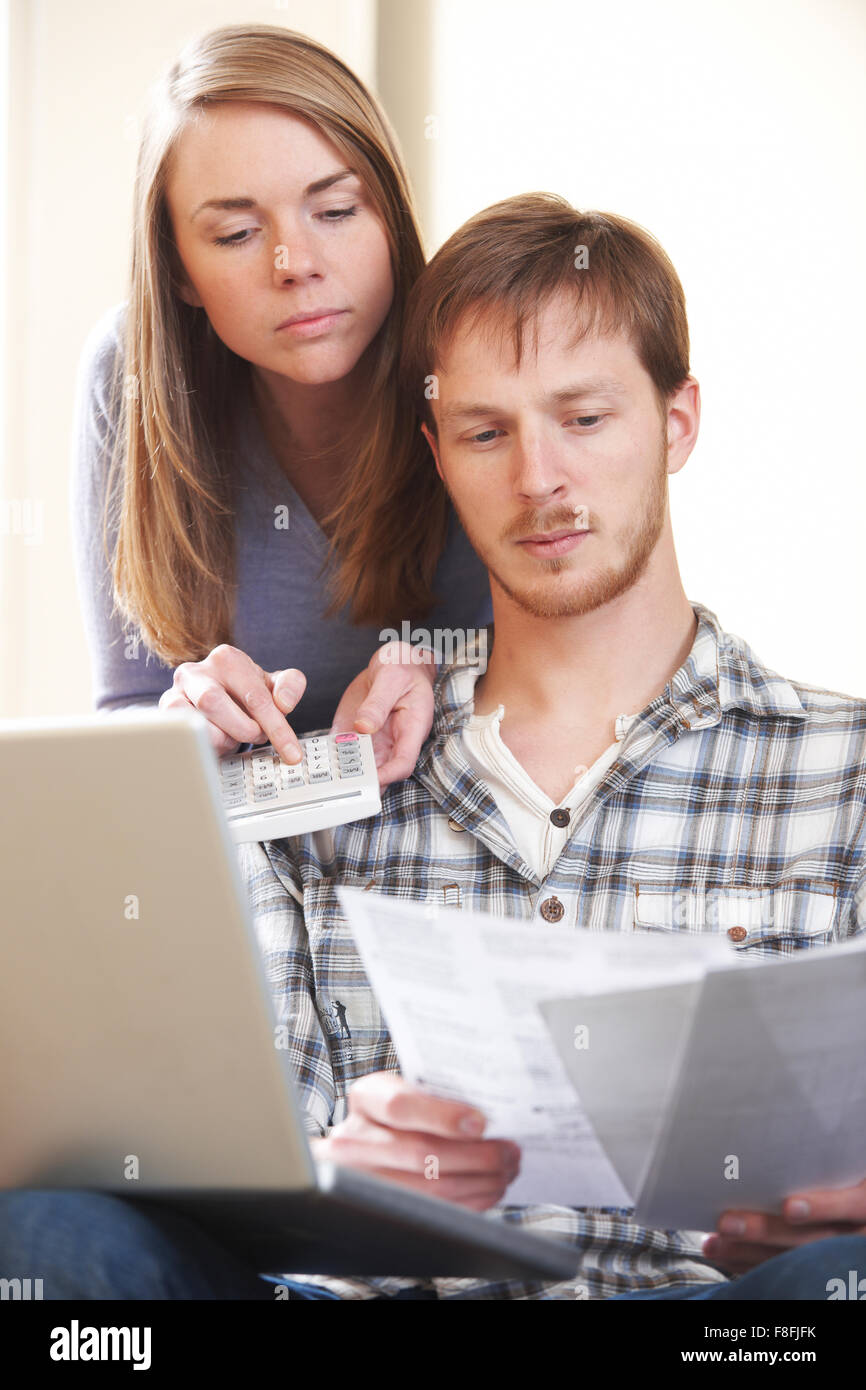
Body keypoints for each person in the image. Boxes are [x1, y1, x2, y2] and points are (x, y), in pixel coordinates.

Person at [7, 192, 864, 1299]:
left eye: (584, 418)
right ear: (437, 454)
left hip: (720, 1317)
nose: (537, 478)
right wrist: (338, 1170)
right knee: (49, 1236)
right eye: (484, 431)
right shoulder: (323, 787)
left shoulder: (839, 772)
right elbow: (243, 1188)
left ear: (676, 421)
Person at [70, 22, 491, 785]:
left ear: (391, 219)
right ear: (180, 274)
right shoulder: (125, 376)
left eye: (334, 212)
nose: (295, 265)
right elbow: (126, 711)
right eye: (235, 233)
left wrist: (446, 677)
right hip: (250, 876)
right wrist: (180, 725)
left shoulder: (480, 355)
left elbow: (585, 664)